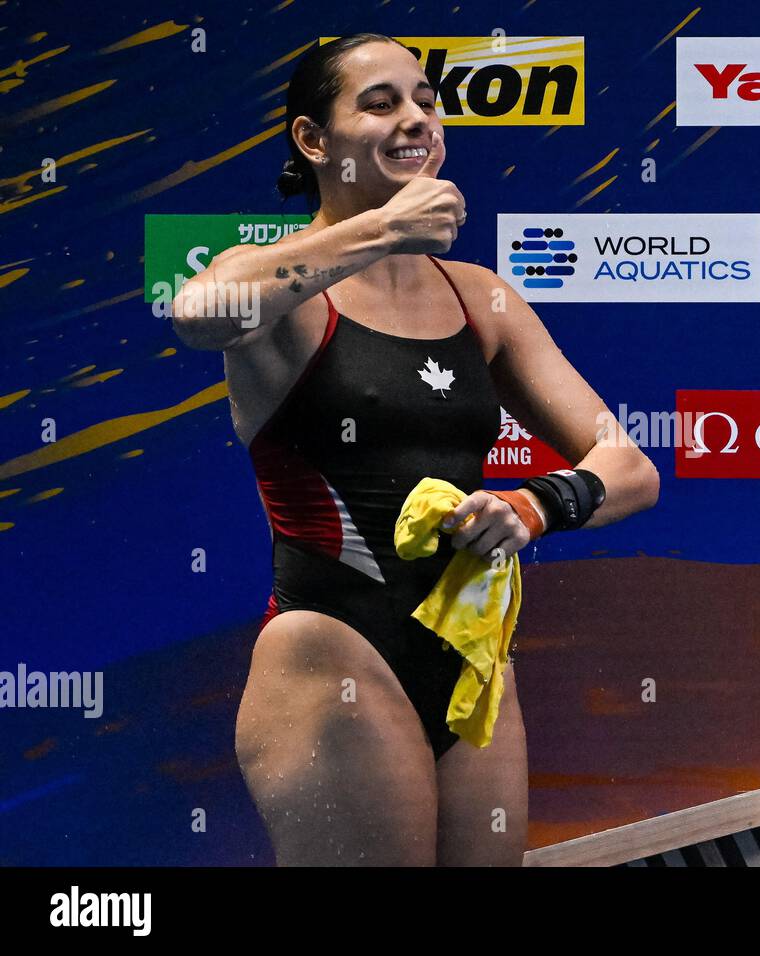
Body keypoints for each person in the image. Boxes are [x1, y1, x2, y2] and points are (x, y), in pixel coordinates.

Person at [171, 33, 659, 866]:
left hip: (470, 659)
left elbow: (629, 468)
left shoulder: (481, 298)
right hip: (332, 651)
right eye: (380, 102)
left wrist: (534, 504)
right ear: (313, 141)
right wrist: (379, 230)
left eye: (426, 101)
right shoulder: (281, 285)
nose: (415, 119)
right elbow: (199, 313)